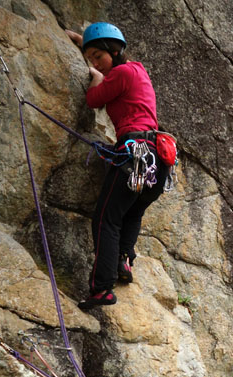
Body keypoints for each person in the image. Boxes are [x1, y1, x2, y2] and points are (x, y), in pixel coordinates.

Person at [65, 22, 170, 309]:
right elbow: (98, 49)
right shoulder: (136, 70)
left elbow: (92, 99)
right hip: (156, 160)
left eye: (99, 56)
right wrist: (80, 40)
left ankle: (102, 289)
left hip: (135, 153)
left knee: (106, 219)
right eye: (91, 57)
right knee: (131, 212)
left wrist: (96, 76)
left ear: (115, 51)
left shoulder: (121, 73)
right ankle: (124, 262)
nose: (94, 62)